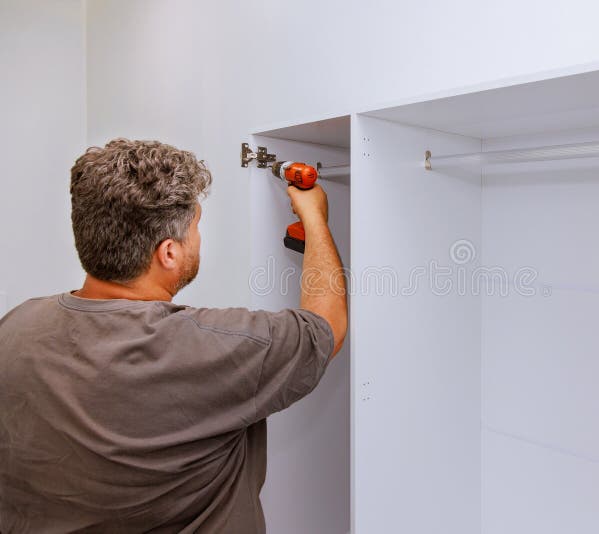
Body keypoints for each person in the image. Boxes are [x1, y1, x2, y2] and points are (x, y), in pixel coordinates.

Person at [0, 138, 348, 532]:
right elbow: (326, 326)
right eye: (195, 227)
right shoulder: (204, 347)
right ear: (168, 253)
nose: (197, 238)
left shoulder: (15, 328)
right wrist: (316, 219)